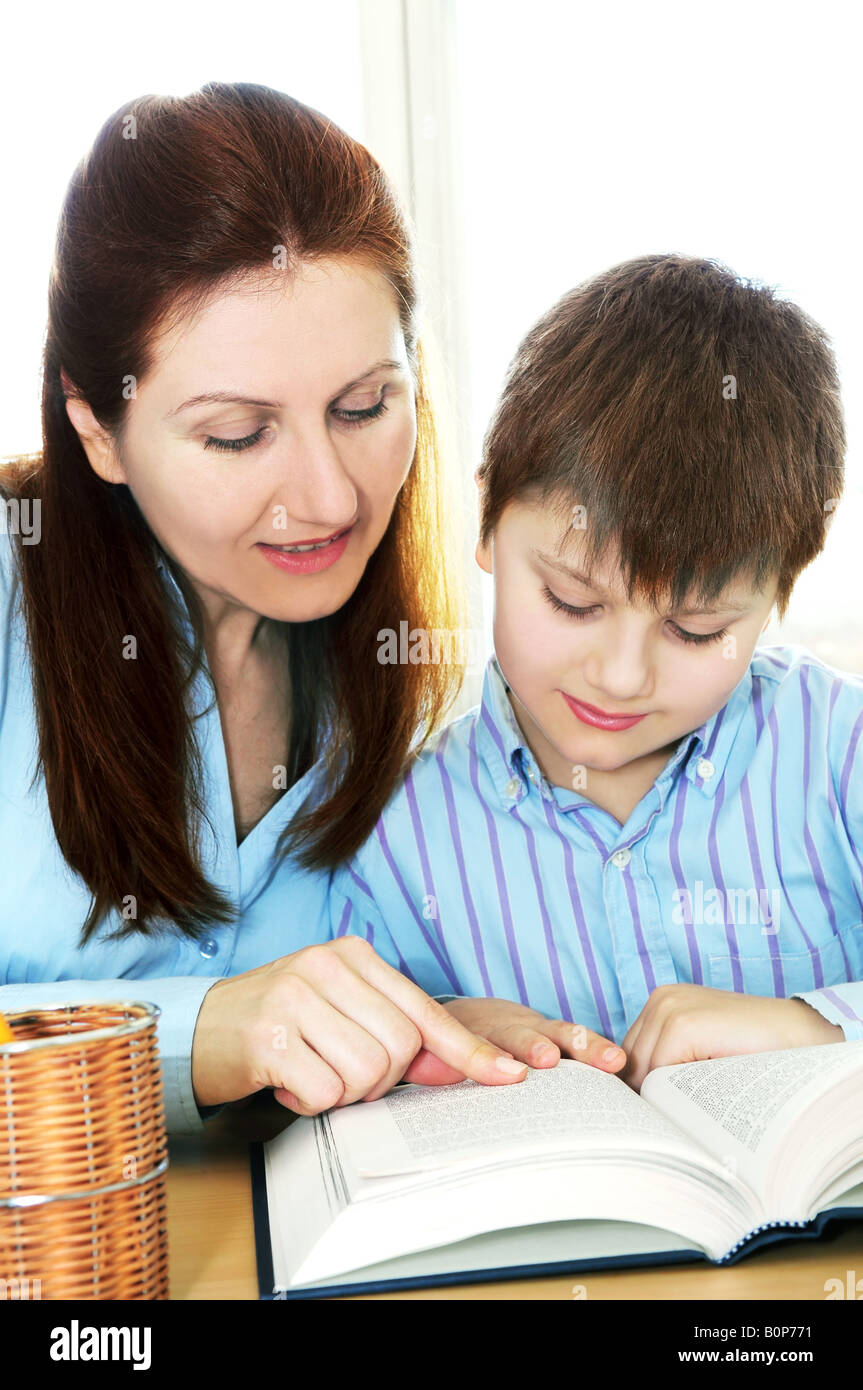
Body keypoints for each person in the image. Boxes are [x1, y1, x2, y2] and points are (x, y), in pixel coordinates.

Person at [2, 82, 622, 1134]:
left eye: (364, 407)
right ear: (96, 430)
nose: (331, 498)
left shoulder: (405, 676)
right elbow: (234, 1029)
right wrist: (209, 1028)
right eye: (239, 433)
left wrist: (416, 1023)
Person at [324, 253, 863, 1093]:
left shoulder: (836, 753)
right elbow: (351, 1044)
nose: (619, 677)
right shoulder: (394, 834)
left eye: (694, 630)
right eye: (572, 601)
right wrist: (440, 1026)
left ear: (779, 593)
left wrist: (812, 1024)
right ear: (488, 522)